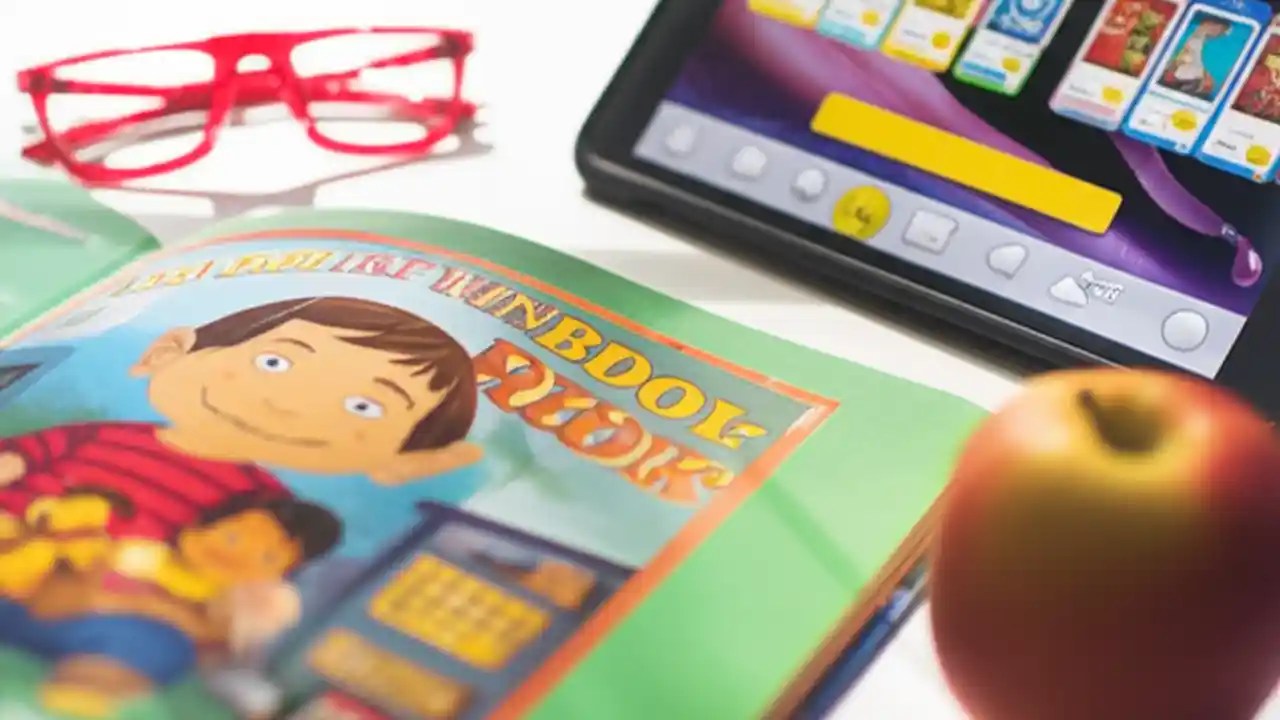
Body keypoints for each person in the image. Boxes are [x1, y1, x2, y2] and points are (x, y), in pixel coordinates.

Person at [0, 296, 482, 542]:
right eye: (274, 362)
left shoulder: (267, 509)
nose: (287, 403)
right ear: (169, 352)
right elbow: (14, 464)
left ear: (408, 463)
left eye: (365, 407)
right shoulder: (96, 437)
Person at [0, 493, 341, 718]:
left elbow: (213, 634)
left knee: (156, 645)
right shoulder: (143, 552)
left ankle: (81, 691)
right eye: (232, 537)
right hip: (51, 610)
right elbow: (89, 564)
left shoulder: (224, 598)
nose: (230, 554)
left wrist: (151, 607)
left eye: (267, 557)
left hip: (122, 645)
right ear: (199, 527)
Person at [1161, 16, 1231, 99]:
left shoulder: (1197, 39)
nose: (1221, 33)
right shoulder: (1194, 38)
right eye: (1222, 30)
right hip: (1182, 81)